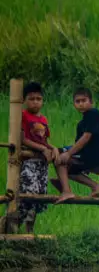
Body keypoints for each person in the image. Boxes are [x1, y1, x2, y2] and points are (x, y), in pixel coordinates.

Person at [52, 87, 99, 203]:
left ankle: (66, 190)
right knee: (64, 162)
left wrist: (68, 153)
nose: (81, 104)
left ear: (91, 102)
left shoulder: (93, 113)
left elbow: (86, 137)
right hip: (89, 154)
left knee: (60, 158)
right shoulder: (81, 124)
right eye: (77, 101)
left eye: (84, 100)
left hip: (94, 154)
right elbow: (79, 142)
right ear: (74, 104)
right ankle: (95, 187)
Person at [14, 81, 54, 233]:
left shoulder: (43, 120)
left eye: (38, 98)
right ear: (24, 100)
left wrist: (53, 149)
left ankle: (29, 231)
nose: (35, 102)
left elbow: (45, 140)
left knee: (39, 195)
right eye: (31, 98)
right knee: (28, 193)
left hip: (42, 163)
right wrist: (43, 148)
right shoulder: (23, 116)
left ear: (42, 101)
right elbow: (23, 139)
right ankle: (10, 228)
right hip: (29, 161)